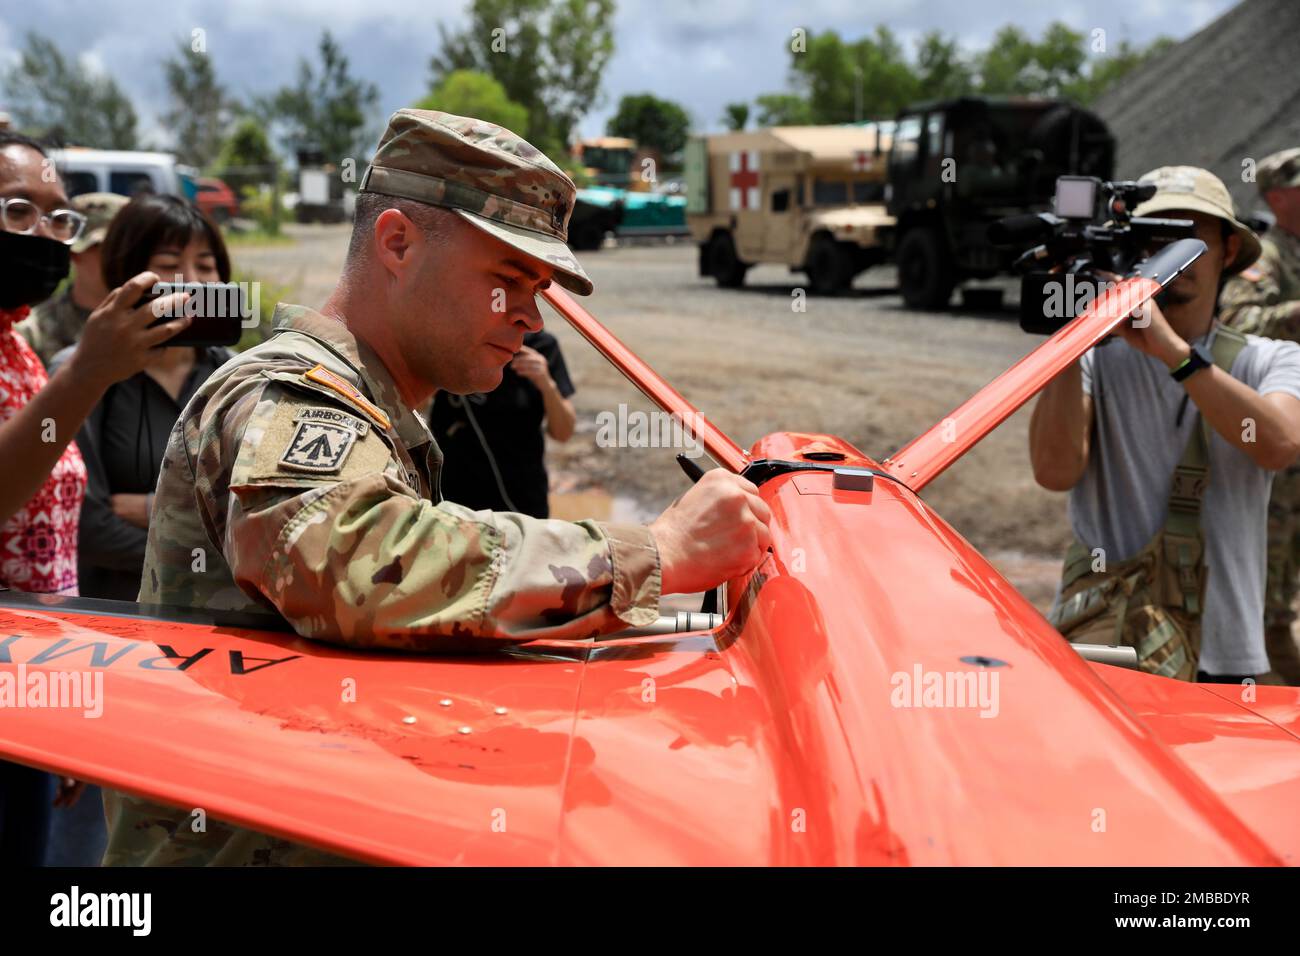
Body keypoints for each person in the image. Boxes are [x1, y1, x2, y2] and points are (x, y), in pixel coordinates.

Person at [104, 109, 770, 866]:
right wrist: (656, 552)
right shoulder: (286, 394)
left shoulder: (372, 409)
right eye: (505, 280)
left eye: (540, 288)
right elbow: (350, 564)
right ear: (397, 243)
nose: (528, 315)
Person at [1029, 165, 1300, 684]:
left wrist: (1173, 353)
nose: (1169, 256)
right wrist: (1068, 340)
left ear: (1226, 250)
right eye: (1154, 237)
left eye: (1187, 235)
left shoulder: (1270, 359)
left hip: (1224, 658)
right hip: (1109, 645)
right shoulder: (1094, 359)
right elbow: (1055, 471)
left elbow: (1278, 445)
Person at [0, 131, 191, 865]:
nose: (47, 235)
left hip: (33, 693)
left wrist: (64, 705)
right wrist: (88, 375)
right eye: (21, 211)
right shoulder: (59, 363)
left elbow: (51, 560)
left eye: (60, 219)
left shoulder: (16, 346)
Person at [51, 194, 234, 601]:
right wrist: (211, 559)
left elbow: (251, 513)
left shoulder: (237, 376)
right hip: (110, 628)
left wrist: (149, 507)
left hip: (220, 628)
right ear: (125, 277)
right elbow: (89, 528)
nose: (191, 282)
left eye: (205, 266)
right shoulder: (80, 373)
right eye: (169, 266)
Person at [1220, 147, 1300, 685]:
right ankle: (1266, 651)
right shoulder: (1265, 257)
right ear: (1276, 196)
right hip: (1281, 426)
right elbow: (1236, 317)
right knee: (1275, 541)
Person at [430, 328, 577, 517]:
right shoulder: (458, 341)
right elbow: (413, 406)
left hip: (523, 495)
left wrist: (547, 384)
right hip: (455, 494)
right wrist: (441, 367)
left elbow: (563, 433)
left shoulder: (541, 346)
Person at [16, 192, 128, 367]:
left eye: (129, 248)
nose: (121, 257)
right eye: (108, 249)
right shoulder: (32, 331)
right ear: (75, 253)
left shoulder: (149, 321)